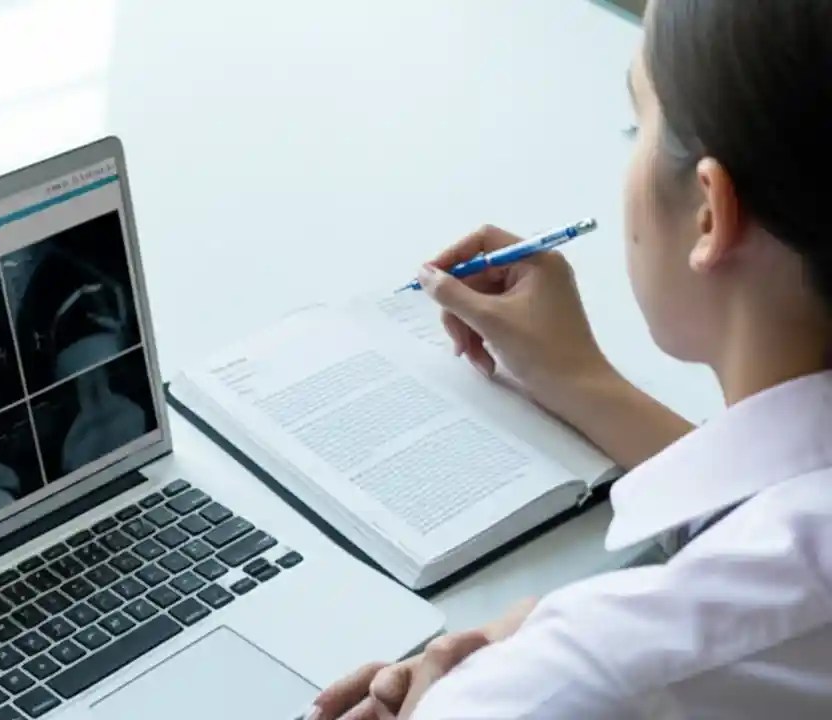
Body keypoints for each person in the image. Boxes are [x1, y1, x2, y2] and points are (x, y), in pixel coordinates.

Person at [310, 0, 832, 717]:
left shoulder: (590, 679)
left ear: (710, 214)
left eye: (637, 124)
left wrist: (532, 676)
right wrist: (580, 380)